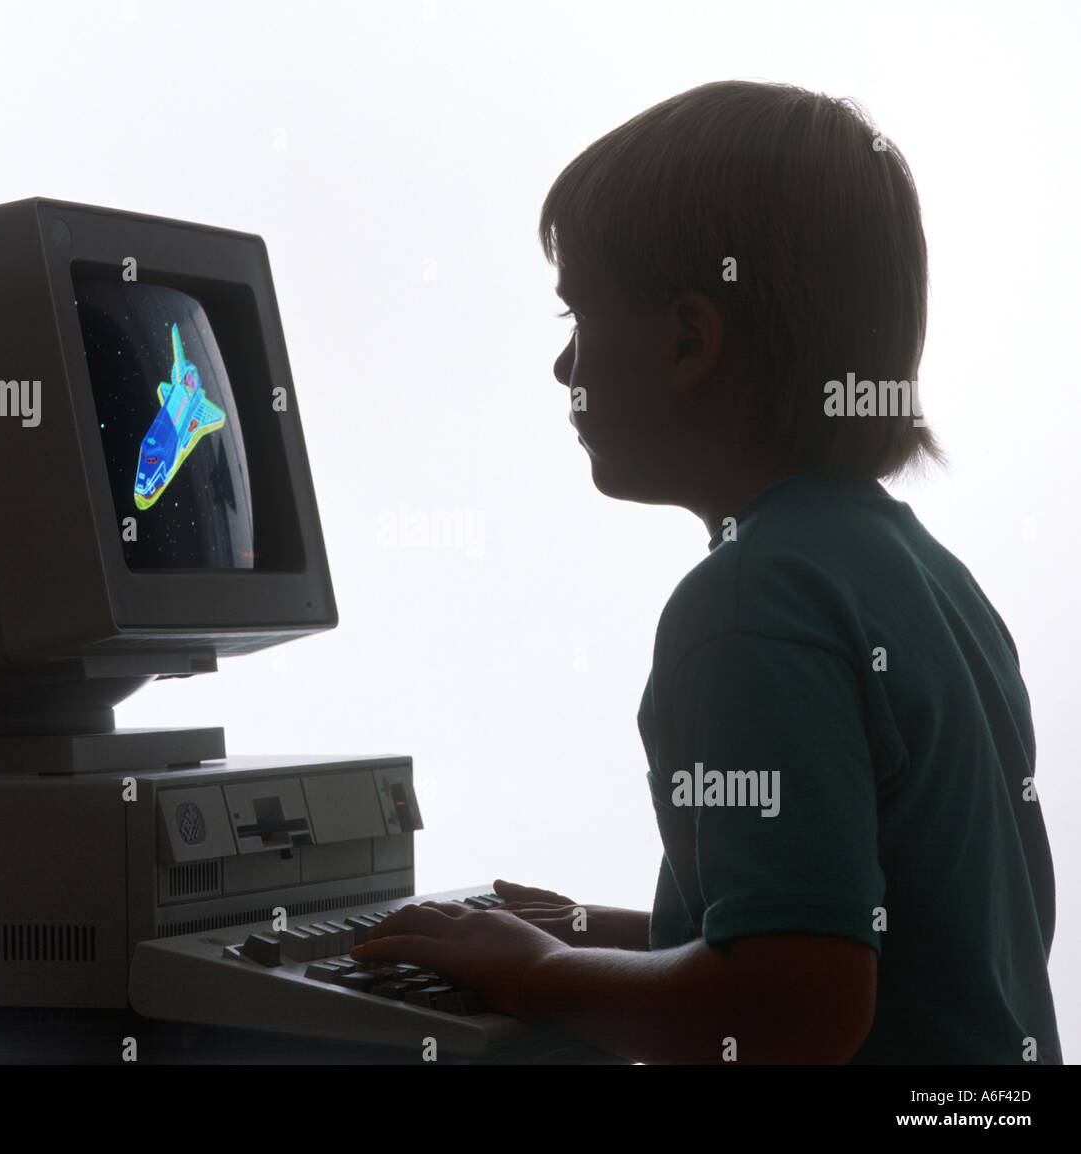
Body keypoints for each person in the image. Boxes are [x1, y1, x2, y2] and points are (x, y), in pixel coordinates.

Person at [351, 79, 1062, 1064]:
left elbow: (792, 1006)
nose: (565, 368)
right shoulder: (925, 578)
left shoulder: (744, 605)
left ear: (688, 338)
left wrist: (536, 973)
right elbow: (851, 939)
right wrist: (587, 931)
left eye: (579, 319)